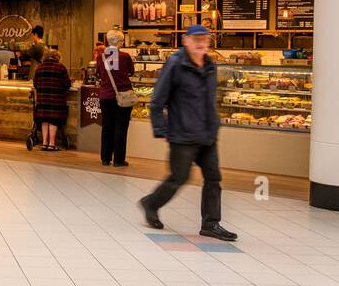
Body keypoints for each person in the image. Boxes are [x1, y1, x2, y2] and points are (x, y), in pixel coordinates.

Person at [139, 24, 237, 241]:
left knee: (214, 179)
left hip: (207, 134)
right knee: (179, 177)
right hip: (182, 133)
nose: (202, 43)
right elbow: (157, 102)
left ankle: (211, 223)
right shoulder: (175, 65)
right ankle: (151, 203)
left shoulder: (210, 65)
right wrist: (160, 129)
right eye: (197, 39)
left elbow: (209, 100)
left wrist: (214, 125)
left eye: (205, 39)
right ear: (186, 41)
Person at [96, 29, 134, 167]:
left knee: (107, 127)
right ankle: (118, 160)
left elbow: (99, 73)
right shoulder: (124, 56)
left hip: (106, 96)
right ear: (118, 42)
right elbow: (131, 72)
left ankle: (105, 158)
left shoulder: (100, 57)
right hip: (122, 96)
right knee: (121, 127)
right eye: (122, 41)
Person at [32, 49, 70, 151]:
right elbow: (67, 84)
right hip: (56, 99)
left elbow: (35, 84)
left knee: (44, 120)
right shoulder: (61, 67)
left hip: (42, 99)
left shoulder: (39, 68)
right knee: (53, 120)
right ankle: (52, 144)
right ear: (57, 57)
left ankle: (44, 143)